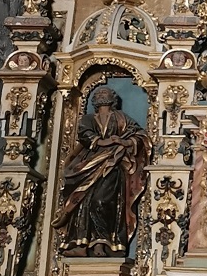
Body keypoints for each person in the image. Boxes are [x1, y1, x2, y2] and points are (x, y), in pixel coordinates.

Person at [54, 85, 151, 257]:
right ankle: (80, 243)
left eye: (105, 93)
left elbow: (139, 135)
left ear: (112, 98)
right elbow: (84, 133)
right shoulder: (89, 118)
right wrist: (103, 142)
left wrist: (124, 142)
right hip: (88, 165)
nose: (102, 95)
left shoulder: (121, 118)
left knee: (101, 202)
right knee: (83, 201)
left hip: (112, 165)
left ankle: (103, 242)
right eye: (98, 93)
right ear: (94, 100)